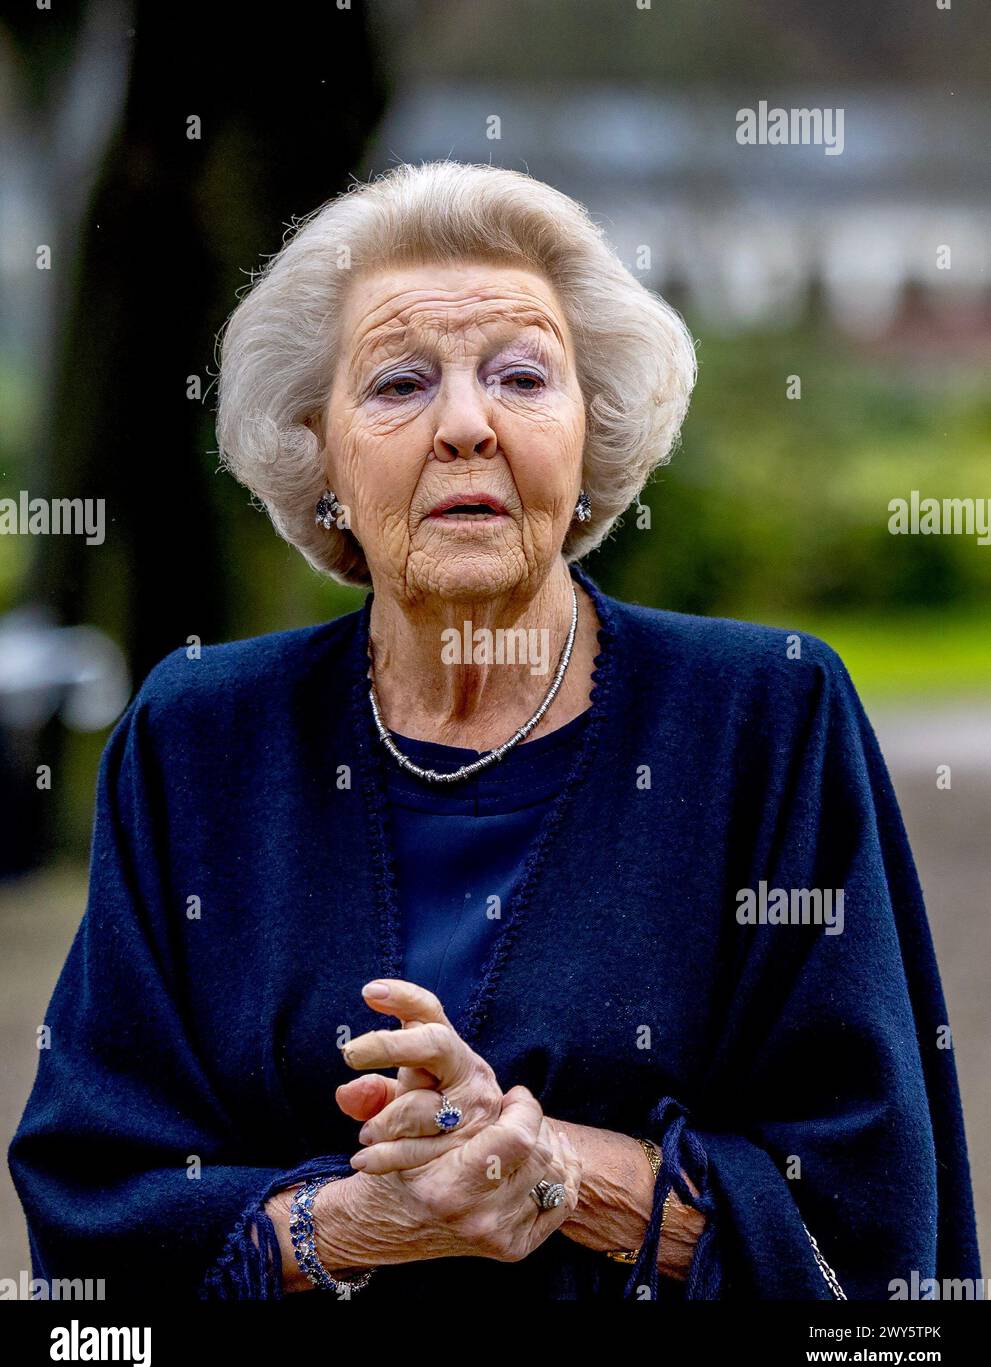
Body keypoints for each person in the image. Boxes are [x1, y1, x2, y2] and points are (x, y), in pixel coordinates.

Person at [8, 161, 980, 1301]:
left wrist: (559, 1170)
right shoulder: (198, 739)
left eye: (522, 377)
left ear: (590, 441)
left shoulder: (766, 716)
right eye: (400, 384)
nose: (468, 424)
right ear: (319, 456)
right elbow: (93, 1205)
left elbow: (866, 1217)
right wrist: (353, 1222)